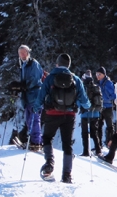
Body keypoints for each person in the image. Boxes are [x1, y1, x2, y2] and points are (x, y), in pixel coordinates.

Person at [34, 54, 90, 183]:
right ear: (69, 65)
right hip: (69, 115)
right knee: (67, 144)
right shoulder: (75, 79)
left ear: (57, 64)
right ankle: (66, 175)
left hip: (52, 113)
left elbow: (41, 95)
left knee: (47, 138)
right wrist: (87, 106)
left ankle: (49, 163)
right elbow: (84, 100)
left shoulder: (50, 78)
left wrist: (36, 107)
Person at [18, 45, 43, 150]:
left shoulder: (34, 64)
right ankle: (33, 140)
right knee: (29, 119)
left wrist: (25, 85)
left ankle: (36, 141)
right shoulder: (23, 65)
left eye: (24, 53)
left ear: (28, 53)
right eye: (20, 53)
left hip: (35, 96)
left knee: (35, 118)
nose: (22, 55)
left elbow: (36, 78)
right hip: (27, 97)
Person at [80, 70, 103, 157]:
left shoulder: (83, 88)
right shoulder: (96, 87)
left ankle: (86, 151)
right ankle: (98, 150)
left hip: (85, 114)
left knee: (85, 133)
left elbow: (80, 100)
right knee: (94, 132)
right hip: (95, 113)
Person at [95, 67, 117, 147]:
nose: (97, 76)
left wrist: (114, 99)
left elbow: (113, 94)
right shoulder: (98, 83)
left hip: (107, 106)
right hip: (100, 106)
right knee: (98, 125)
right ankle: (99, 144)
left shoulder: (108, 83)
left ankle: (110, 143)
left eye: (99, 74)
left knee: (109, 126)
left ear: (104, 74)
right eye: (96, 74)